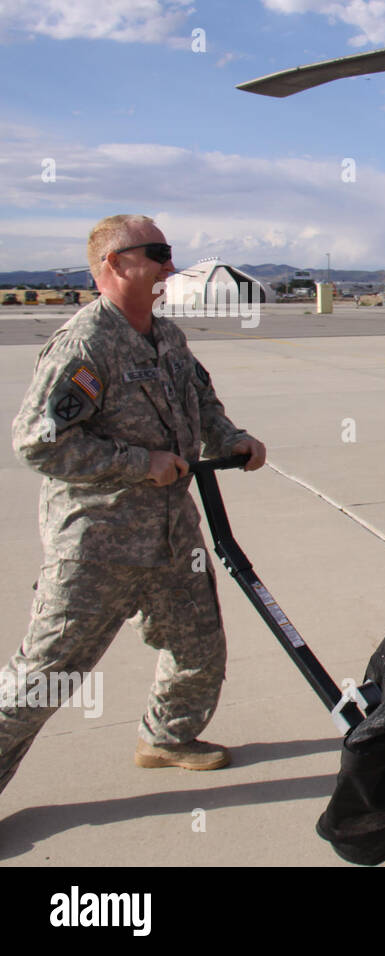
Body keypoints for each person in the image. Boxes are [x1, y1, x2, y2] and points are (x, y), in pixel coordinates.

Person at [0, 214, 267, 796]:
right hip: (99, 544)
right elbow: (38, 441)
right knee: (43, 679)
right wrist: (136, 462)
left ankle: (166, 738)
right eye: (157, 253)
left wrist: (231, 440)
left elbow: (202, 402)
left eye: (169, 253)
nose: (170, 265)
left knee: (199, 649)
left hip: (172, 535)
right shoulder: (86, 343)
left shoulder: (167, 337)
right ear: (115, 265)